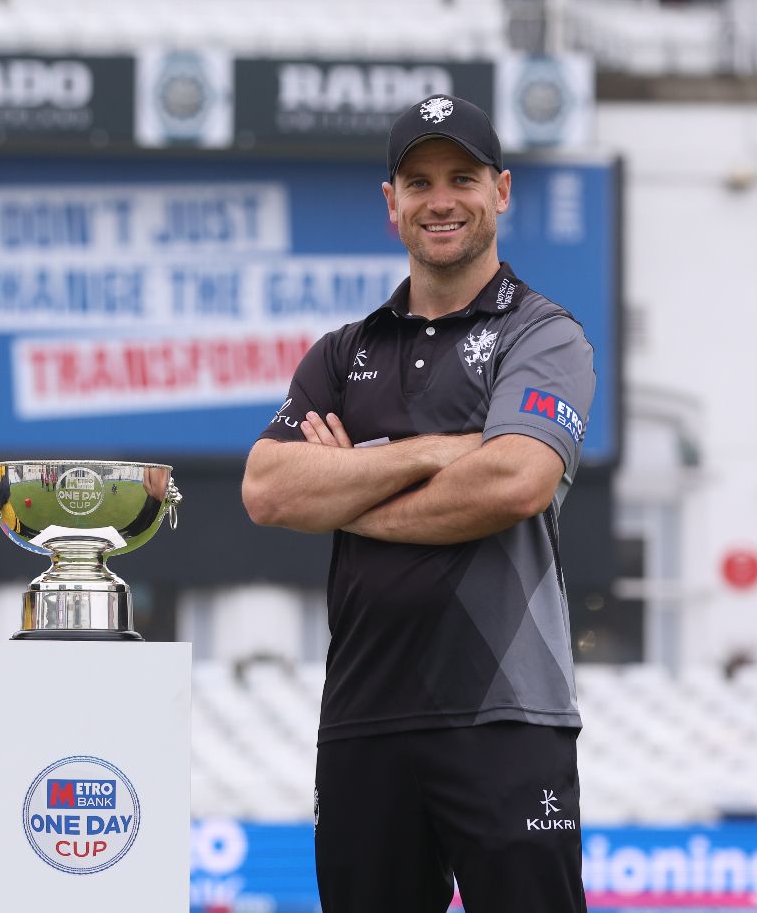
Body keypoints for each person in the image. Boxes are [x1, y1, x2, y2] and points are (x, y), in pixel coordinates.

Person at [242, 95, 595, 912]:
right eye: (419, 181)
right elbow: (266, 488)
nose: (441, 200)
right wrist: (444, 452)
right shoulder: (343, 351)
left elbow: (515, 480)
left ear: (501, 191)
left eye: (462, 178)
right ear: (390, 201)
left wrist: (347, 489)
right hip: (365, 716)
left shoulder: (541, 335)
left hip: (506, 713)